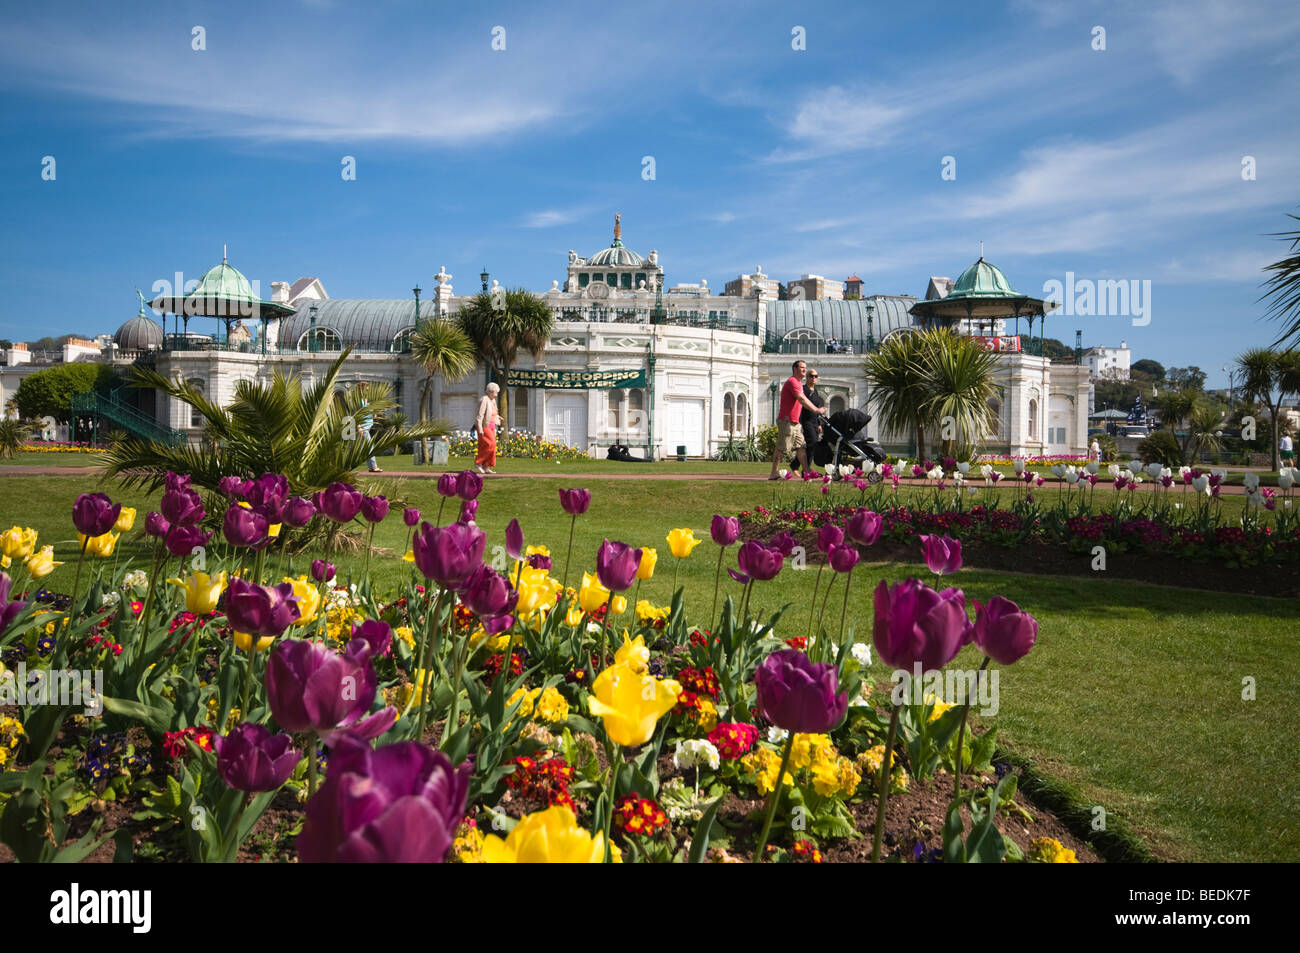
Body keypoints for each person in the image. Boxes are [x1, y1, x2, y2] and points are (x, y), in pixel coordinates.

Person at [768, 359, 823, 480]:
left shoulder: (798, 384)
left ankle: (807, 472)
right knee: (781, 447)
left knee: (802, 446)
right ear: (795, 369)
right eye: (802, 367)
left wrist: (816, 412)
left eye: (805, 368)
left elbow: (804, 399)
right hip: (787, 421)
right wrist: (816, 410)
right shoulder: (792, 381)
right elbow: (801, 399)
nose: (805, 369)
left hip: (795, 422)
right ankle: (773, 473)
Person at [797, 367, 828, 474]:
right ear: (807, 377)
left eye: (816, 376)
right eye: (811, 376)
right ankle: (806, 470)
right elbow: (800, 406)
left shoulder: (815, 391)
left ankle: (798, 465)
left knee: (811, 446)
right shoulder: (803, 390)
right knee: (812, 444)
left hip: (814, 422)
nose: (814, 378)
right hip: (806, 421)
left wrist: (819, 424)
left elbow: (817, 408)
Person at [475, 382, 501, 474]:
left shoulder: (493, 401)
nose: (496, 394)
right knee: (491, 444)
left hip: (492, 426)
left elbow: (494, 413)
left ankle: (486, 466)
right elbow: (480, 415)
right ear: (490, 391)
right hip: (484, 426)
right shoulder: (484, 400)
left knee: (491, 446)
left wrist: (498, 417)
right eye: (495, 392)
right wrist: (479, 428)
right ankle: (479, 462)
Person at [357, 382, 382, 473]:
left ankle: (371, 467)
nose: (368, 391)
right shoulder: (358, 400)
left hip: (368, 426)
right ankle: (374, 467)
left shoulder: (367, 400)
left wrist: (374, 412)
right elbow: (356, 414)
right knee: (369, 446)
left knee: (365, 447)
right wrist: (358, 426)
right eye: (366, 389)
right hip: (362, 426)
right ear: (361, 390)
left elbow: (372, 415)